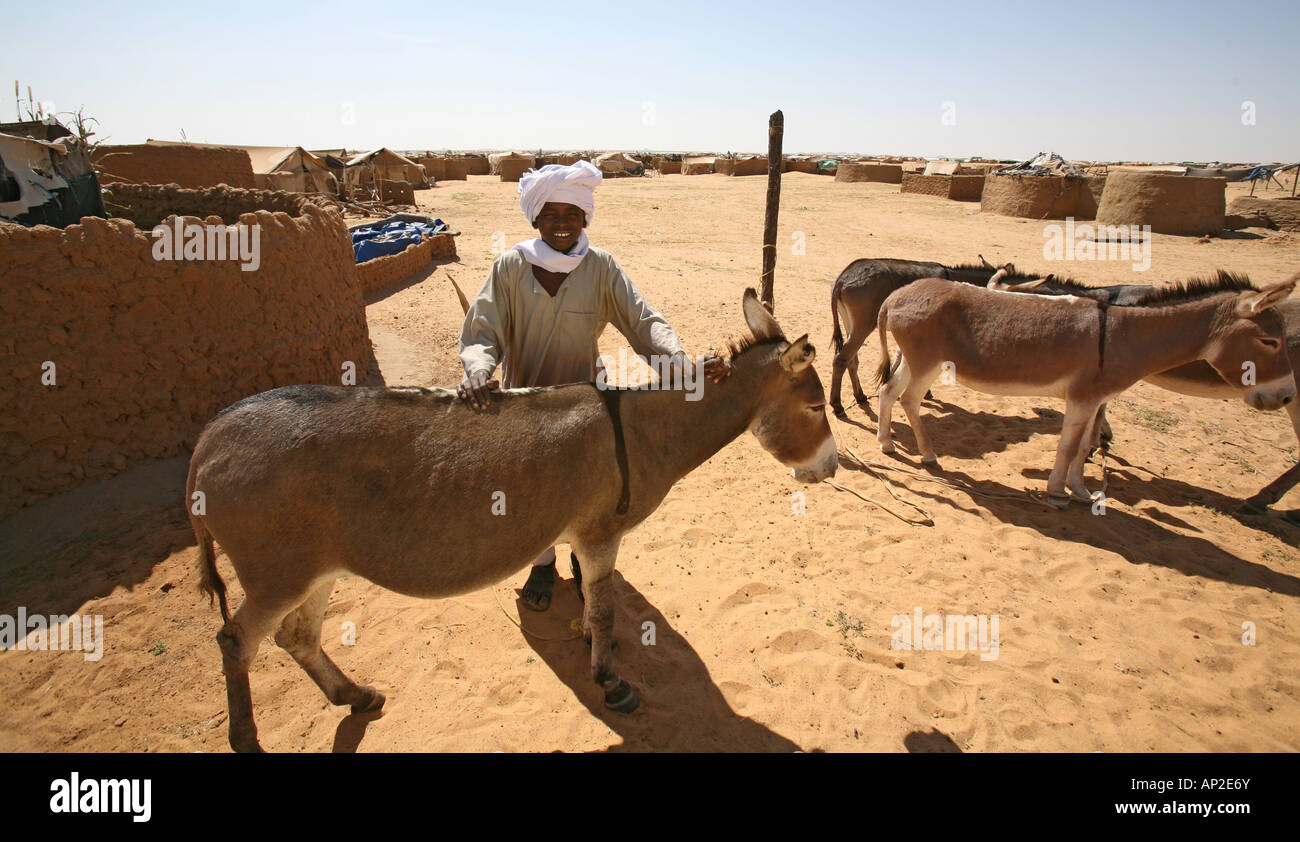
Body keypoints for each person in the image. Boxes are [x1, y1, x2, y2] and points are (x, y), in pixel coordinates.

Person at [457, 159, 729, 611]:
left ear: (584, 219)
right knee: (531, 492)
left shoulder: (601, 267)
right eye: (552, 215)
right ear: (536, 219)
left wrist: (681, 365)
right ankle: (541, 565)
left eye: (571, 215)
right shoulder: (510, 266)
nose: (561, 224)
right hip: (525, 403)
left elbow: (642, 321)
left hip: (588, 406)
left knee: (585, 489)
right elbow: (483, 330)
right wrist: (478, 369)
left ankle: (584, 560)